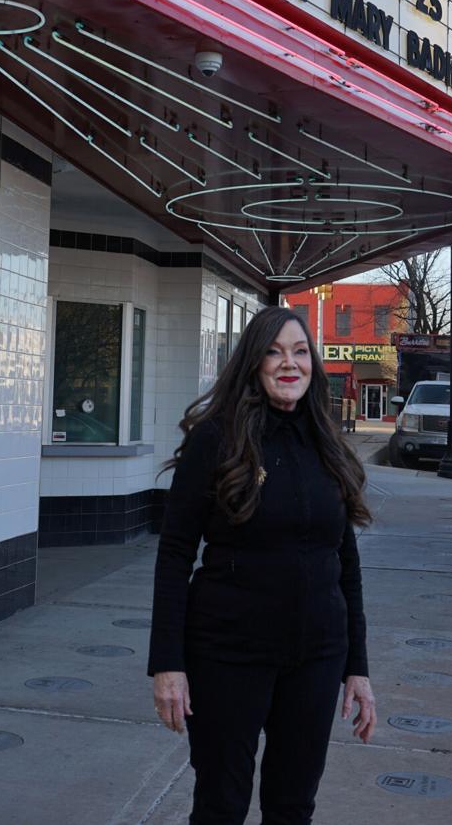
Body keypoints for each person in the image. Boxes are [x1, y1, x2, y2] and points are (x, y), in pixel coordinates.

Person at [148, 305, 376, 825]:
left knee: (293, 807)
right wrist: (167, 663)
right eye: (273, 352)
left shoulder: (326, 443)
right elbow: (175, 553)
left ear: (313, 364)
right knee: (221, 806)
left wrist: (356, 668)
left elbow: (345, 560)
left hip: (316, 656)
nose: (288, 363)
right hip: (229, 654)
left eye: (299, 352)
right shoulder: (217, 439)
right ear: (253, 363)